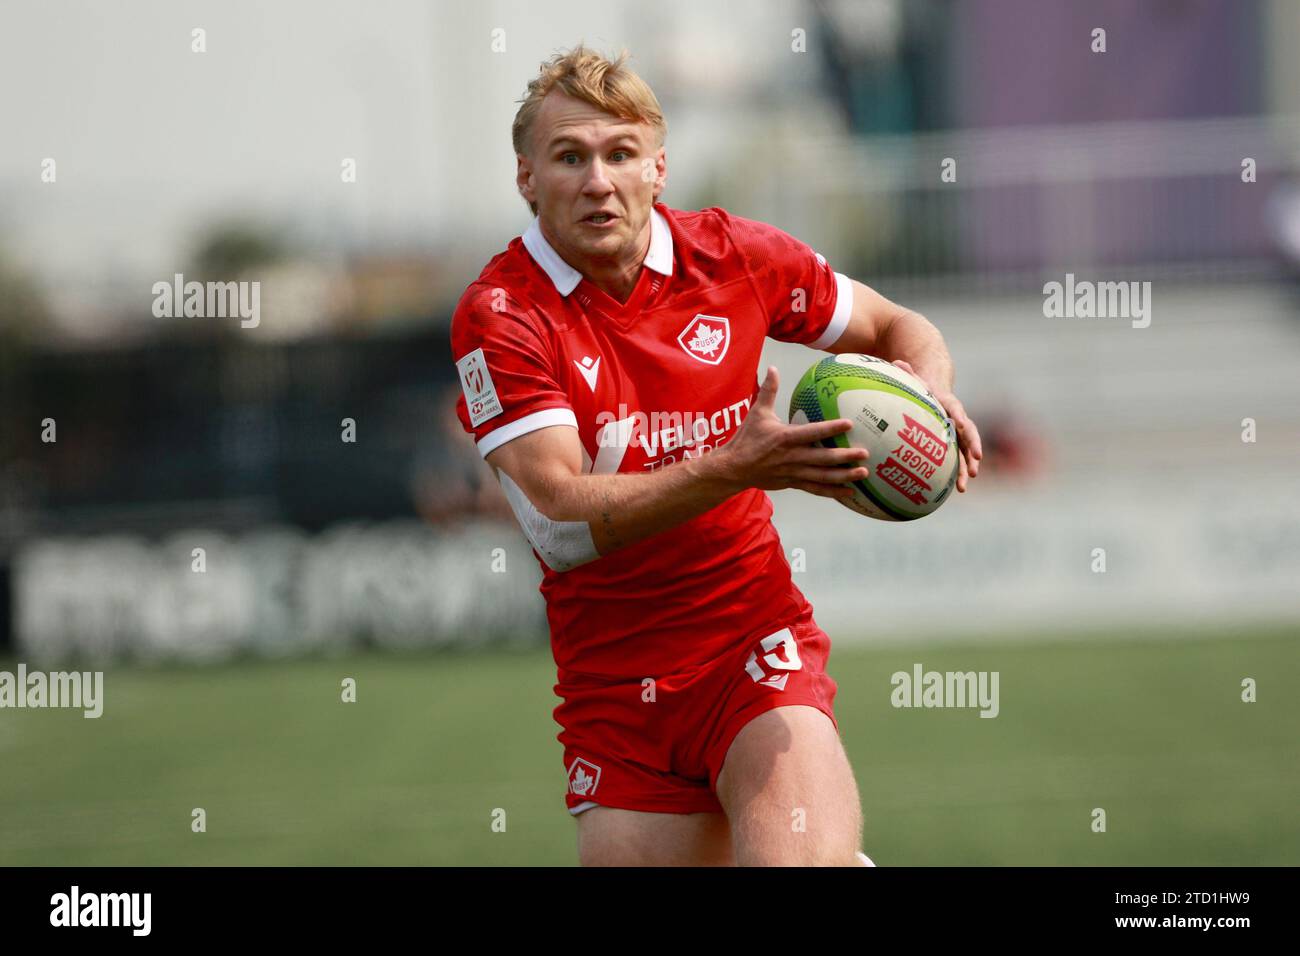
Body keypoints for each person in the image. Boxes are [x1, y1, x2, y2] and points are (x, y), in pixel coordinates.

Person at [450, 44, 982, 866]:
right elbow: (559, 514)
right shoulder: (502, 313)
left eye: (620, 154)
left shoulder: (733, 256)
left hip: (752, 644)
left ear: (657, 168)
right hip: (614, 690)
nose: (599, 180)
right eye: (570, 157)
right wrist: (734, 466)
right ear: (527, 178)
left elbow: (900, 328)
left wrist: (934, 387)